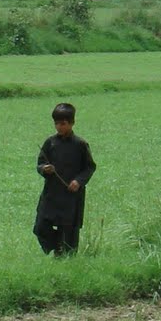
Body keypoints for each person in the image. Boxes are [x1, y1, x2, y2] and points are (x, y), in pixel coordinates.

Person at [32, 102, 96, 257]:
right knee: (40, 227)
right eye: (56, 123)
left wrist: (78, 181)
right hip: (51, 195)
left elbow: (90, 167)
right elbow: (40, 163)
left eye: (63, 123)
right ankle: (57, 247)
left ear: (72, 123)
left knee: (68, 231)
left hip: (71, 196)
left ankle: (65, 257)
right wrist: (44, 169)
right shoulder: (50, 143)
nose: (59, 127)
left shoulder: (80, 144)